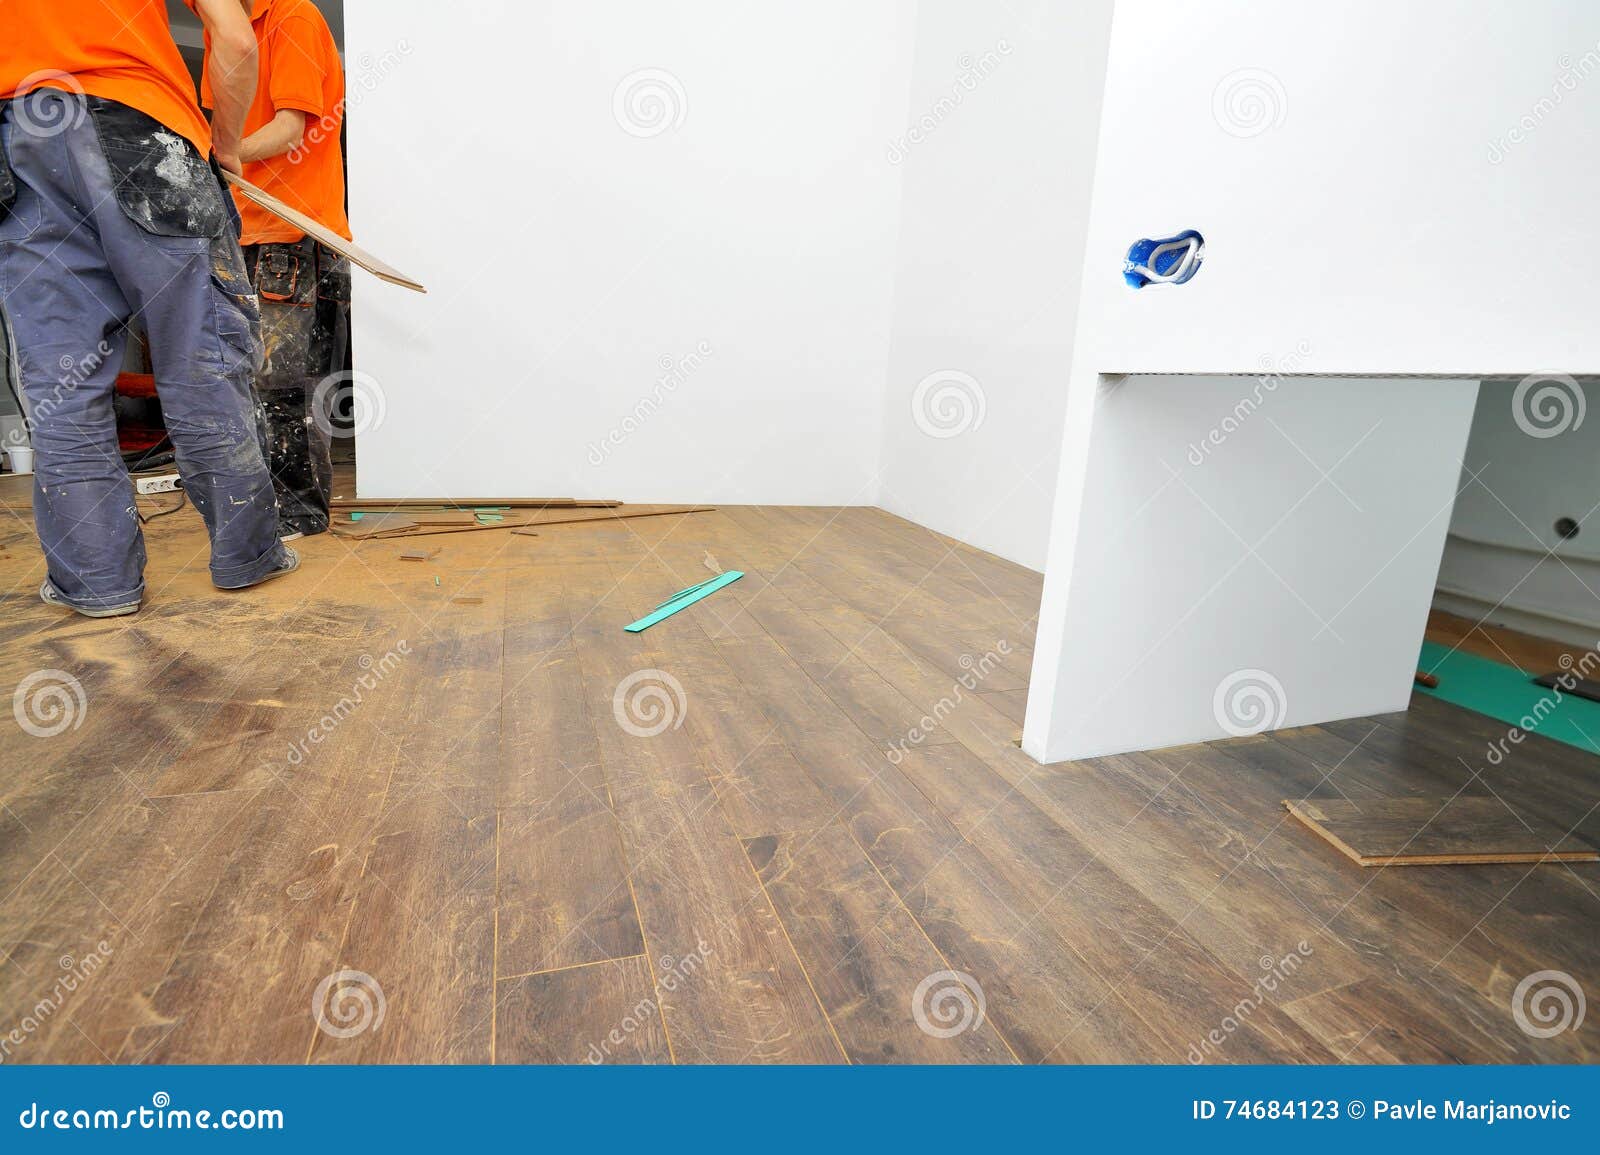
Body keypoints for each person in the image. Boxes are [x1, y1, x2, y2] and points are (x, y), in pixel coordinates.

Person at [0, 0, 297, 618]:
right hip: (136, 128)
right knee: (200, 353)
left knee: (61, 379)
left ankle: (96, 583)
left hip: (17, 145)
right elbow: (236, 40)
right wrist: (226, 143)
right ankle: (248, 556)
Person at [206, 0, 352, 540]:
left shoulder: (292, 18)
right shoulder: (228, 27)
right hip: (251, 233)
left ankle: (295, 514)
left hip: (290, 237)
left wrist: (219, 152)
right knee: (256, 383)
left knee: (285, 387)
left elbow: (291, 129)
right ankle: (278, 511)